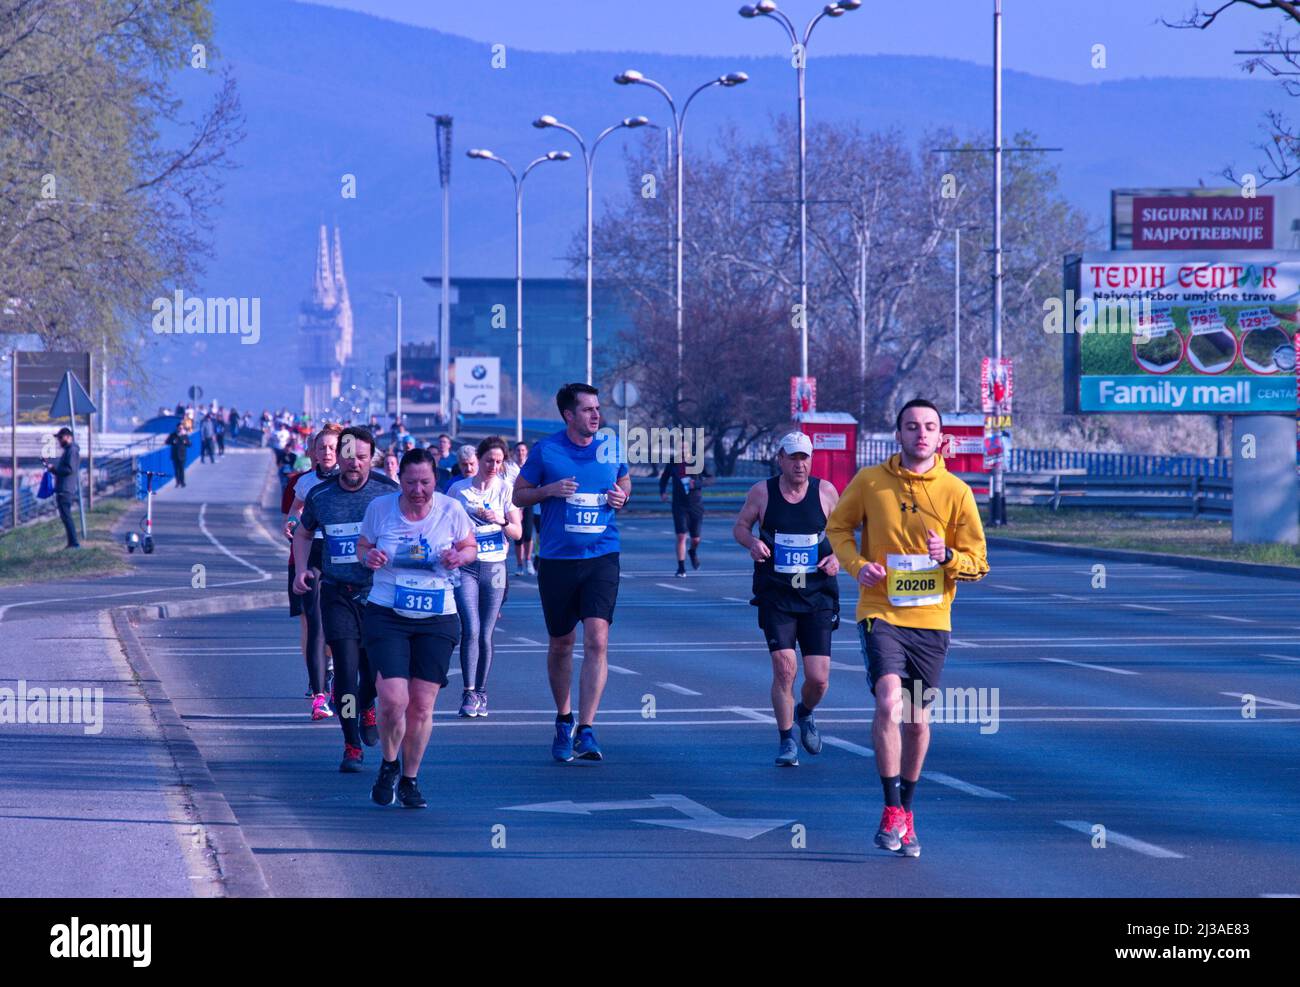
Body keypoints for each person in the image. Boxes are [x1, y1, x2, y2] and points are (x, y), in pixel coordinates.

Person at [827, 398, 989, 859]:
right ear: (897, 434)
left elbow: (979, 564)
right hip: (882, 612)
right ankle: (890, 806)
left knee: (918, 721)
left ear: (941, 437)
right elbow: (838, 528)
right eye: (912, 426)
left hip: (932, 620)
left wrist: (948, 558)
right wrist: (857, 566)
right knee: (888, 699)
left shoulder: (957, 491)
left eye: (930, 427)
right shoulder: (870, 482)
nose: (921, 433)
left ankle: (908, 812)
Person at [512, 383, 631, 763]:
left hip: (602, 557)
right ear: (568, 415)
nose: (596, 415)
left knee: (597, 639)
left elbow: (624, 479)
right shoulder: (547, 450)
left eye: (597, 409)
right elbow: (518, 495)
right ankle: (564, 719)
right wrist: (548, 490)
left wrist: (621, 496)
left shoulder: (610, 445)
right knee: (562, 643)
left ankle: (588, 728)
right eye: (587, 410)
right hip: (558, 561)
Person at [358, 447, 477, 808]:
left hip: (438, 615)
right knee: (394, 700)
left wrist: (460, 556)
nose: (418, 490)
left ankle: (409, 779)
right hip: (387, 612)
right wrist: (370, 556)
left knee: (422, 707)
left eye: (425, 482)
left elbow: (470, 546)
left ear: (435, 480)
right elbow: (363, 546)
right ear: (400, 481)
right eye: (410, 483)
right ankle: (389, 764)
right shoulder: (380, 509)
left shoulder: (450, 510)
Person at [293, 427, 398, 771]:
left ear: (372, 459)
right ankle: (351, 743)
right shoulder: (321, 495)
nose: (355, 465)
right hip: (338, 592)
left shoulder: (387, 492)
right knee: (347, 671)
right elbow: (304, 533)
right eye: (348, 457)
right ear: (338, 457)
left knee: (371, 674)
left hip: (379, 595)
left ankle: (367, 704)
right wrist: (301, 571)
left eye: (362, 458)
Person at [733, 432, 840, 767]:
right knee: (784, 667)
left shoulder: (825, 492)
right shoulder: (762, 492)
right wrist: (751, 543)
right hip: (776, 592)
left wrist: (837, 558)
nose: (800, 464)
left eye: (805, 457)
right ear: (780, 458)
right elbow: (739, 527)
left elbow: (842, 534)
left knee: (819, 677)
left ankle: (804, 711)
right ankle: (786, 741)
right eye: (793, 457)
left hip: (817, 593)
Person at [447, 436, 522, 718]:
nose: (493, 466)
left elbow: (518, 532)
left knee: (486, 634)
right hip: (466, 567)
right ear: (478, 459)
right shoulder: (458, 490)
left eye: (499, 462)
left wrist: (499, 520)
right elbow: (445, 525)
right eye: (489, 460)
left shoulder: (506, 490)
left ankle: (481, 691)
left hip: (496, 568)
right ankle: (468, 692)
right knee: (471, 628)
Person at [285, 425, 341, 719]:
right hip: (315, 552)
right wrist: (293, 523)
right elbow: (295, 509)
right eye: (322, 448)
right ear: (314, 453)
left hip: (344, 556)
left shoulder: (350, 481)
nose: (328, 453)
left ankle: (337, 677)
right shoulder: (306, 482)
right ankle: (319, 695)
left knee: (342, 626)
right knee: (315, 624)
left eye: (333, 448)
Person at [660, 460, 709, 577]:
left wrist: (696, 484)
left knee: (696, 539)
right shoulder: (672, 463)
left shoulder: (698, 462)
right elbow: (664, 479)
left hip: (696, 505)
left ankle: (692, 551)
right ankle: (681, 568)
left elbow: (711, 478)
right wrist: (663, 492)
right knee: (681, 536)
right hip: (679, 505)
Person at [43, 427, 81, 549]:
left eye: (61, 437)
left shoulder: (72, 450)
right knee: (65, 517)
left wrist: (54, 469)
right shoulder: (69, 450)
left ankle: (74, 543)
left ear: (68, 437)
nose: (59, 440)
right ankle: (71, 543)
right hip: (63, 488)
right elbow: (64, 469)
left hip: (65, 489)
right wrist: (53, 468)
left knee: (67, 517)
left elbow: (69, 469)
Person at [505, 441, 537, 576]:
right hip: (514, 504)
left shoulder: (531, 466)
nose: (520, 453)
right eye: (518, 450)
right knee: (518, 536)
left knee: (528, 534)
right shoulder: (510, 468)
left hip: (528, 503)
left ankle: (528, 560)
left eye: (523, 450)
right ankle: (519, 564)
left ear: (527, 452)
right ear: (514, 452)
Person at [165, 419, 192, 487]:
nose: (180, 429)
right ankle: (177, 482)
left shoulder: (184, 435)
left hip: (182, 455)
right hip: (175, 455)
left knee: (182, 469)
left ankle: (182, 482)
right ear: (177, 428)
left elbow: (189, 444)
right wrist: (172, 442)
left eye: (181, 428)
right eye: (179, 428)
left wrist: (186, 442)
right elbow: (166, 442)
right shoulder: (173, 435)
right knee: (176, 470)